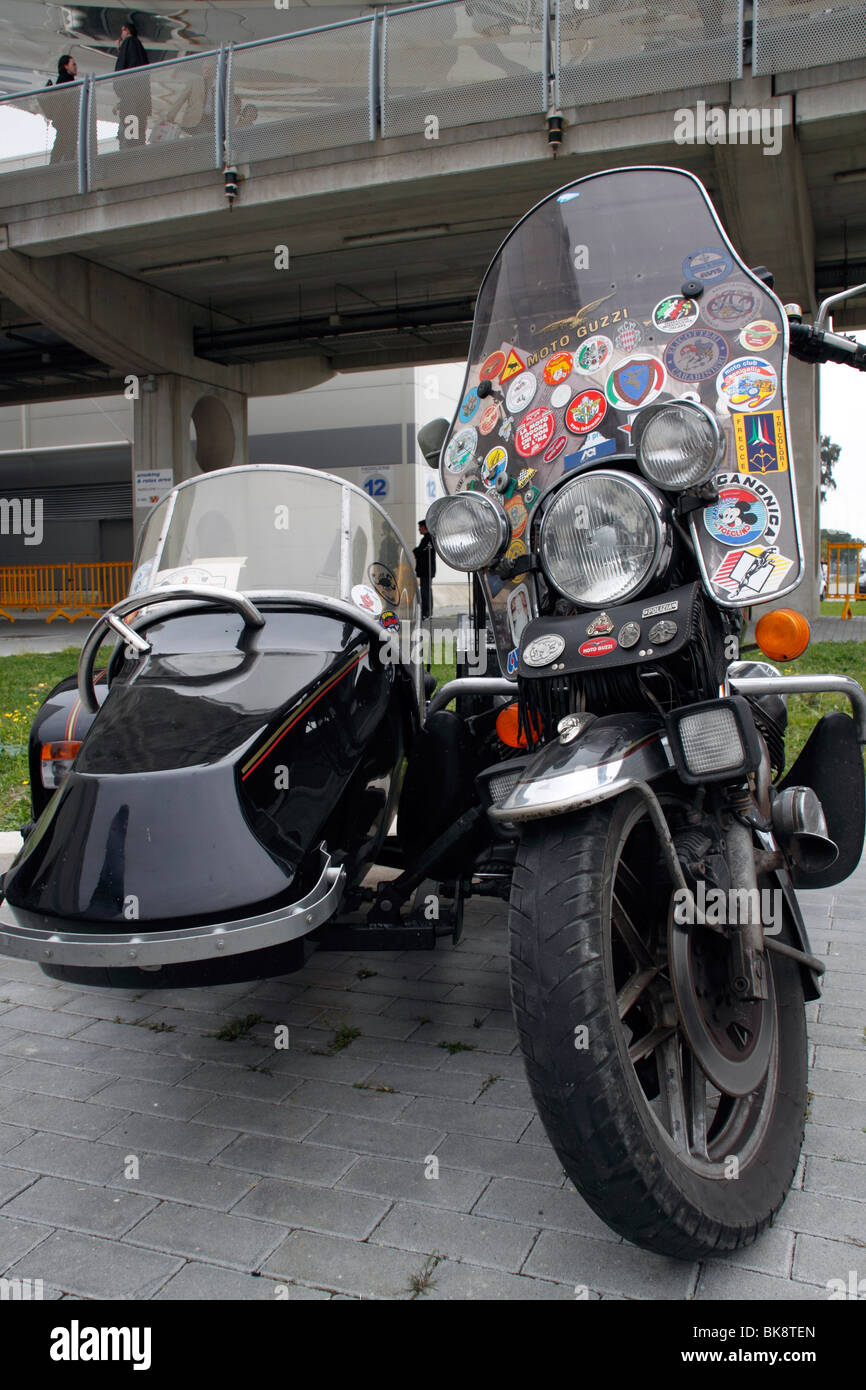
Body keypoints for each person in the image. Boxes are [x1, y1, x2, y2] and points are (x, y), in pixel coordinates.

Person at [114, 19, 150, 148]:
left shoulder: (129, 42)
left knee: (131, 135)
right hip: (140, 100)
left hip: (131, 101)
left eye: (122, 31)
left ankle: (131, 158)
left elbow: (122, 70)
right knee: (138, 134)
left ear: (127, 30)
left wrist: (120, 91)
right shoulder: (140, 47)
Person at [46, 55, 79, 164]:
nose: (75, 67)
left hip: (64, 122)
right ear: (66, 66)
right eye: (73, 64)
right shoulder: (66, 81)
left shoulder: (64, 81)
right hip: (67, 122)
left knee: (60, 148)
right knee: (67, 148)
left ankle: (54, 169)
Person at [413, 520, 436, 620]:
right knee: (426, 591)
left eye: (420, 527)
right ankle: (428, 612)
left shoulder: (428, 539)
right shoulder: (427, 539)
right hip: (426, 571)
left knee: (425, 592)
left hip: (427, 570)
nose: (419, 529)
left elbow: (419, 552)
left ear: (425, 527)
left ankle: (426, 613)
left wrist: (416, 550)